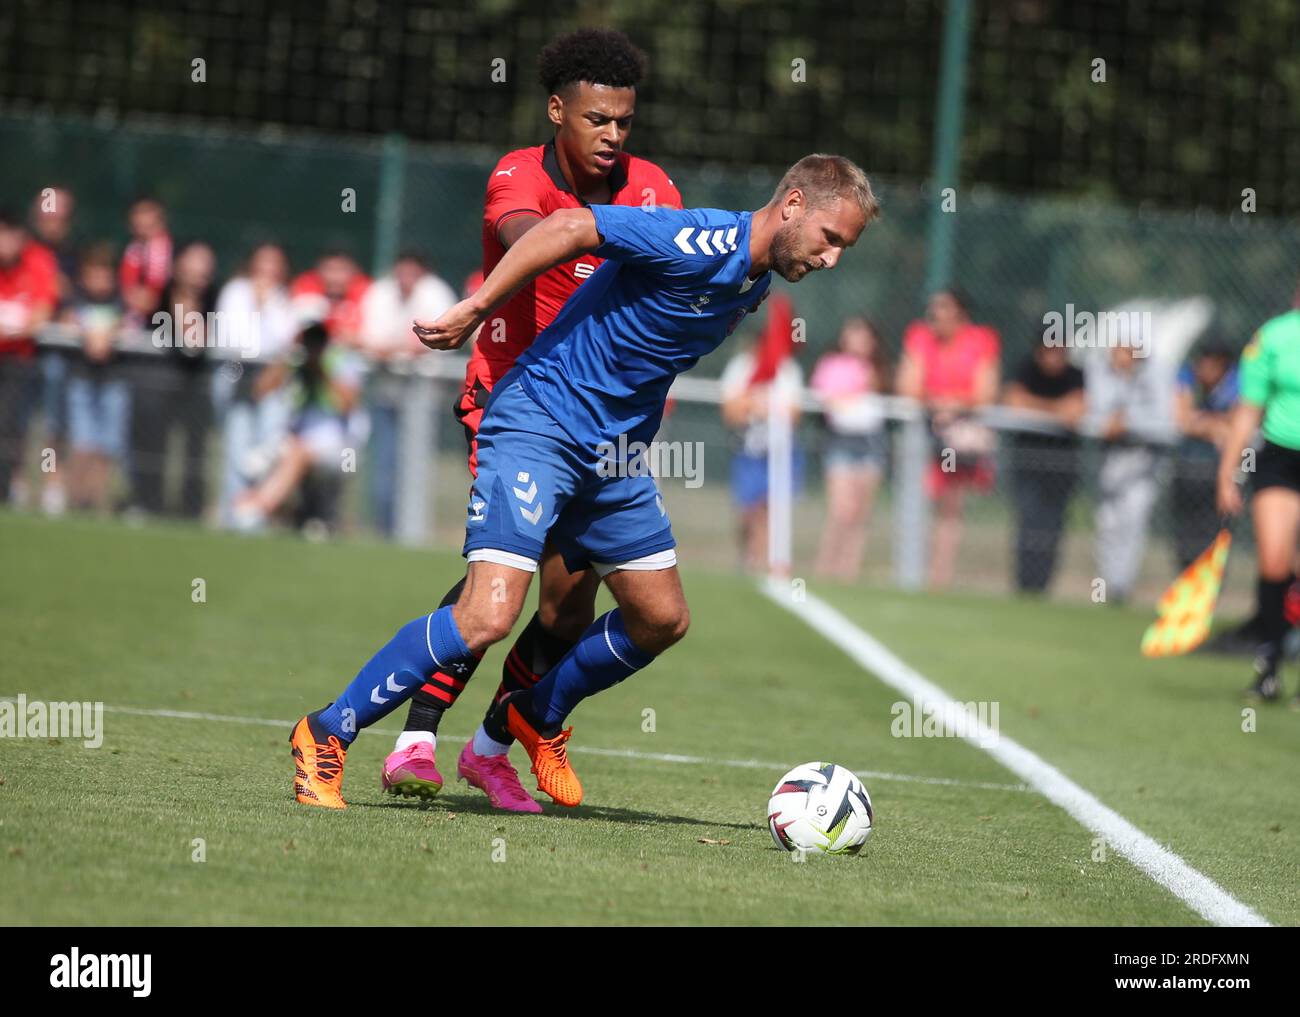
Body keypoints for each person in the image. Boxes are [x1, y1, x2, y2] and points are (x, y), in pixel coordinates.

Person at [288, 153, 878, 810]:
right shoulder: (700, 239)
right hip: (540, 425)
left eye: (844, 249)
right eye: (831, 239)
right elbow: (570, 227)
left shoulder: (755, 276)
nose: (832, 260)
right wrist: (478, 308)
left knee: (660, 617)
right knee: (488, 612)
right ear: (793, 204)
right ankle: (325, 731)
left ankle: (529, 717)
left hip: (614, 457)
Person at [381, 28, 683, 814]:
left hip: (605, 424)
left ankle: (491, 748)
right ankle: (416, 736)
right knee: (505, 578)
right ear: (558, 111)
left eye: (624, 121)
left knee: (567, 604)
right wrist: (582, 241)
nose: (614, 136)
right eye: (597, 120)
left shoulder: (654, 187)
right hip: (513, 401)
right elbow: (528, 237)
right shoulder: (518, 175)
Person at [1216, 297, 1300, 705]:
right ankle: (1270, 664)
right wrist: (1229, 472)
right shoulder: (1273, 337)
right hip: (1280, 463)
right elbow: (1248, 410)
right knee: (1274, 561)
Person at [895, 288, 1001, 588]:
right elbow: (907, 386)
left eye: (943, 309)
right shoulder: (920, 336)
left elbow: (985, 394)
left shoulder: (981, 340)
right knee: (919, 503)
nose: (936, 317)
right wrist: (936, 403)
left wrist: (953, 404)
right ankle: (915, 573)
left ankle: (940, 578)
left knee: (952, 509)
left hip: (960, 440)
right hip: (923, 434)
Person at [357, 249, 458, 537]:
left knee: (414, 467)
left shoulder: (435, 292)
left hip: (421, 395)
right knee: (383, 464)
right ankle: (384, 529)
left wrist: (393, 349)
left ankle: (411, 533)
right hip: (385, 391)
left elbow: (433, 341)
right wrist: (400, 348)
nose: (405, 278)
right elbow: (367, 340)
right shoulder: (380, 293)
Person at [231, 322, 364, 531]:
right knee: (265, 458)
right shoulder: (293, 362)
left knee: (295, 453)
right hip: (297, 441)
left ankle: (258, 508)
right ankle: (262, 502)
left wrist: (321, 370)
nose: (312, 347)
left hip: (343, 451)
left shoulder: (339, 361)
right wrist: (285, 358)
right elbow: (260, 391)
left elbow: (349, 405)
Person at [212, 242, 299, 528]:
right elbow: (232, 339)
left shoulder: (283, 299)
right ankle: (233, 516)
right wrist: (256, 305)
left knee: (265, 452)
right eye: (263, 263)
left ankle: (255, 516)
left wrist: (265, 307)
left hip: (272, 380)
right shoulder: (235, 292)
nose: (267, 271)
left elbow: (284, 342)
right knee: (238, 449)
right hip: (238, 377)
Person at [130, 240, 217, 518]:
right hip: (157, 382)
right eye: (195, 262)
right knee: (151, 443)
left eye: (206, 264)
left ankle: (191, 509)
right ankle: (147, 503)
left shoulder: (215, 301)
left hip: (197, 384)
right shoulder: (159, 297)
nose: (200, 271)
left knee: (195, 448)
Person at [1086, 343, 1173, 605]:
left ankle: (1120, 588)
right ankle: (1106, 586)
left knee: (1132, 523)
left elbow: (1165, 421)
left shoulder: (1156, 374)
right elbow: (1095, 414)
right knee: (1106, 525)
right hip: (1111, 462)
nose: (1117, 355)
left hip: (1144, 462)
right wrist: (1109, 423)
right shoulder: (1101, 373)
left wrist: (1127, 421)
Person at [1002, 335, 1085, 593]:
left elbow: (1075, 412)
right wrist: (1055, 410)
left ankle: (1042, 586)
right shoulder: (1025, 369)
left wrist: (1035, 407)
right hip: (1027, 463)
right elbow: (1014, 403)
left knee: (1053, 527)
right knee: (1028, 523)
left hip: (1062, 466)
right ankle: (1024, 584)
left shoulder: (1076, 375)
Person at [809, 316, 890, 581]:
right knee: (840, 511)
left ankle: (848, 572)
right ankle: (825, 569)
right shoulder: (830, 364)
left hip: (870, 444)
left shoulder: (878, 369)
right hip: (840, 443)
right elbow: (827, 399)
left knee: (860, 513)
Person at [720, 334, 803, 574]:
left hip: (779, 451)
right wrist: (755, 407)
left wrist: (764, 408)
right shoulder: (741, 367)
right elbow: (731, 411)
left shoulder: (788, 369)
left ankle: (768, 561)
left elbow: (794, 413)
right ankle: (748, 556)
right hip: (748, 449)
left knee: (772, 507)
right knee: (748, 509)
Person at [63, 245, 129, 513]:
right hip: (82, 379)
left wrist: (108, 334)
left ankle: (98, 500)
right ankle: (76, 499)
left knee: (106, 446)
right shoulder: (75, 301)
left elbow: (127, 324)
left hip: (112, 380)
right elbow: (67, 321)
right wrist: (89, 334)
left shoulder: (120, 303)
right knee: (82, 442)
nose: (100, 282)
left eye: (105, 275)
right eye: (94, 275)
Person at [0, 210, 58, 502]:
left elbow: (41, 311)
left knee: (13, 427)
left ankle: (11, 488)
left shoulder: (38, 261)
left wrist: (14, 330)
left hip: (20, 360)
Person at [1171, 339, 1237, 569]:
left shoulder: (1240, 381)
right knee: (1186, 536)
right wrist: (1217, 426)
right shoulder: (1187, 375)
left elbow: (1237, 428)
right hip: (1188, 468)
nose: (1203, 367)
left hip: (1226, 470)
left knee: (1216, 535)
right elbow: (1182, 420)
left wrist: (1199, 422)